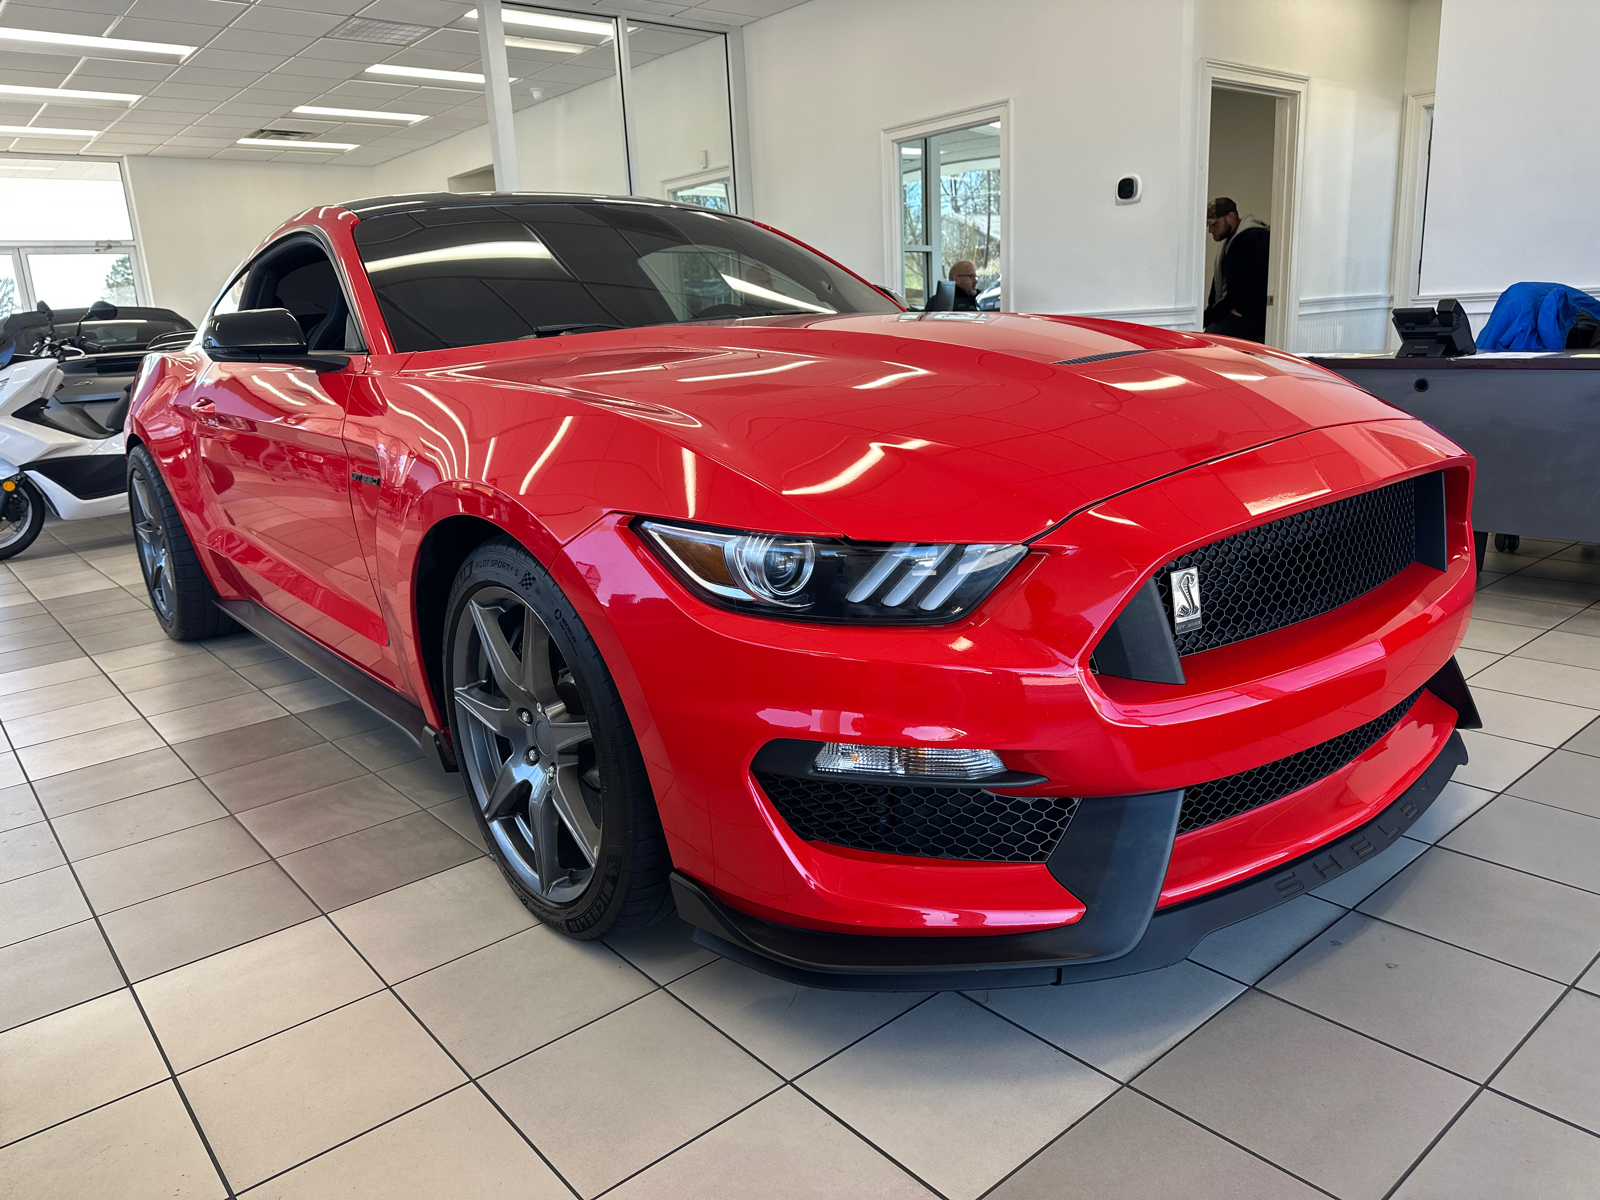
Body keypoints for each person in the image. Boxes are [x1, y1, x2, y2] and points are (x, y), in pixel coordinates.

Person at [1203, 198, 1269, 342]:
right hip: (1234, 312)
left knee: (1213, 338)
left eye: (1214, 224)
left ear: (1231, 217)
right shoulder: (1228, 244)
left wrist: (1241, 309)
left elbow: (1265, 277)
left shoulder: (1255, 236)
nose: (1210, 230)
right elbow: (1219, 288)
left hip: (1249, 316)